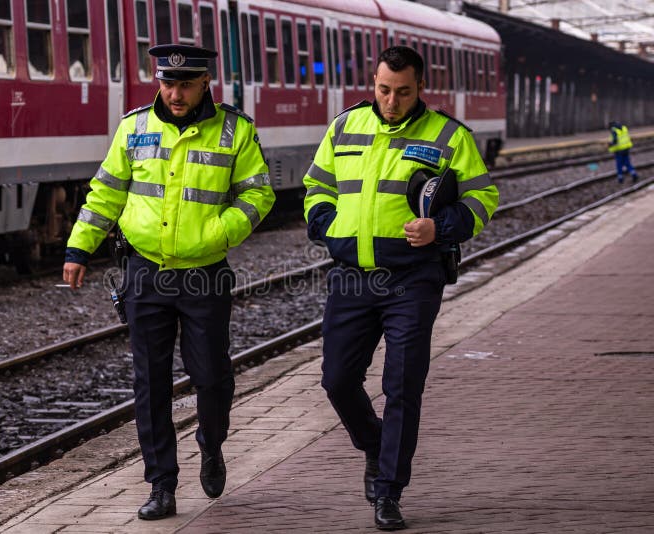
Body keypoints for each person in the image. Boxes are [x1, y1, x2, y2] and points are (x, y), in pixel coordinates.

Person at [63, 44, 274, 520]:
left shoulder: (235, 131)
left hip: (204, 275)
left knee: (212, 377)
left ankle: (211, 444)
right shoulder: (134, 127)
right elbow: (106, 193)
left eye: (185, 85)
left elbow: (258, 194)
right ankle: (161, 484)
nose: (175, 94)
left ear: (205, 84)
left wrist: (219, 233)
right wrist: (79, 249)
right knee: (150, 383)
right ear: (158, 82)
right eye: (167, 84)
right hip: (145, 273)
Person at [303, 46, 498, 530]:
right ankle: (374, 444)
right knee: (337, 380)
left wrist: (442, 228)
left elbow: (483, 197)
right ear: (374, 82)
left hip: (413, 279)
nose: (391, 101)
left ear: (420, 88)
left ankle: (388, 492)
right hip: (351, 277)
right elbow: (317, 188)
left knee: (402, 386)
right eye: (384, 90)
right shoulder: (344, 127)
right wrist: (328, 227)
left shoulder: (449, 136)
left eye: (403, 92)